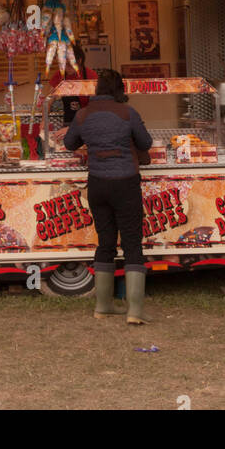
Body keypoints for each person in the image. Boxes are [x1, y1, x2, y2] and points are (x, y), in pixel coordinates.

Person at [63, 68, 153, 324]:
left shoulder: (83, 114)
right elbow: (145, 143)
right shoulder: (128, 113)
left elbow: (69, 144)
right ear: (120, 90)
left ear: (97, 89)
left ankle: (103, 306)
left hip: (98, 184)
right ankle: (134, 311)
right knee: (132, 243)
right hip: (125, 183)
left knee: (105, 242)